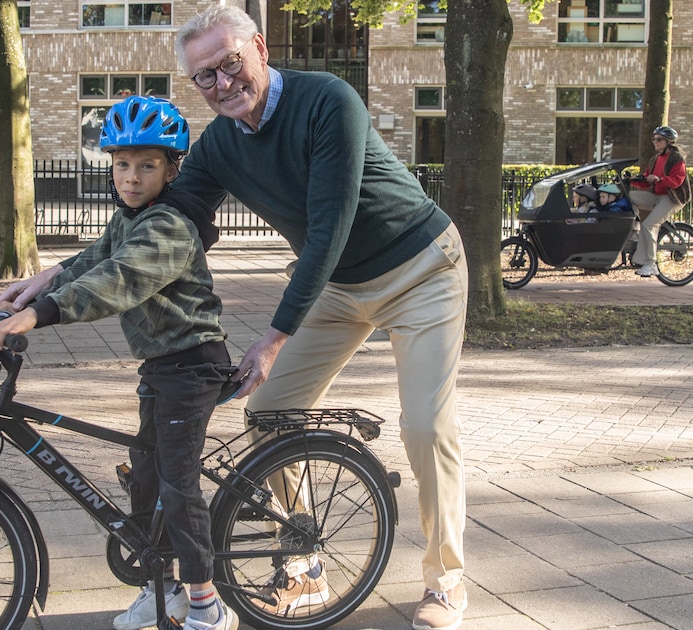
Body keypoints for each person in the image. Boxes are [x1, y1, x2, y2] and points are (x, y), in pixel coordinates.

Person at [172, 6, 468, 630]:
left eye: (230, 64)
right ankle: (304, 565)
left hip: (421, 270)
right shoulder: (219, 144)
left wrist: (274, 335)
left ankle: (446, 582)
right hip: (339, 285)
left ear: (260, 47)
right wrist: (60, 277)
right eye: (206, 77)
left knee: (425, 426)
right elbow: (164, 222)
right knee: (268, 413)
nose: (223, 84)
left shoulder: (329, 100)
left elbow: (329, 225)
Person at [0, 95, 238, 630]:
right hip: (161, 366)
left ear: (172, 169)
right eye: (122, 164)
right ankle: (165, 586)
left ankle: (206, 604)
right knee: (145, 482)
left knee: (176, 482)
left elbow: (117, 279)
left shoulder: (168, 226)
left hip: (192, 366)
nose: (131, 176)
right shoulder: (132, 217)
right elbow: (94, 259)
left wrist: (40, 317)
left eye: (147, 165)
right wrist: (41, 282)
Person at [628, 125, 691, 278]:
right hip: (656, 195)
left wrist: (660, 179)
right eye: (654, 139)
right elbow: (646, 180)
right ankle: (634, 232)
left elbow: (676, 181)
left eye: (659, 139)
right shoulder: (655, 159)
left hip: (672, 198)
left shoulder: (677, 159)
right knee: (628, 197)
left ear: (668, 141)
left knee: (649, 224)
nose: (655, 142)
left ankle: (651, 264)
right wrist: (632, 180)